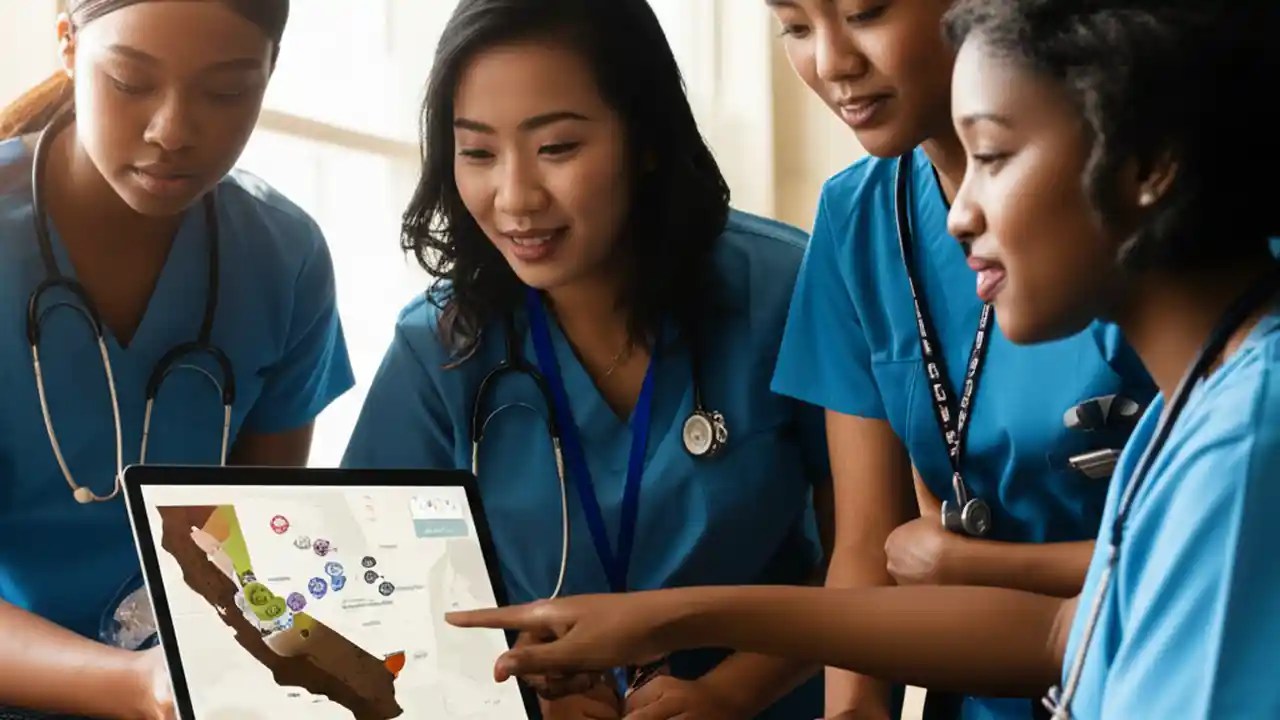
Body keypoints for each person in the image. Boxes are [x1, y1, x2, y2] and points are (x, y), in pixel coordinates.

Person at [446, 1, 1280, 719]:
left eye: (989, 155)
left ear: (1148, 166)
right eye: (794, 25)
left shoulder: (1243, 443)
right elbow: (1062, 633)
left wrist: (965, 563)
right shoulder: (1184, 427)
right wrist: (670, 620)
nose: (958, 215)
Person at [339, 0, 831, 718]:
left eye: (557, 148)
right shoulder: (440, 344)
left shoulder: (786, 292)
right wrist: (518, 691)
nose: (515, 198)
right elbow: (371, 594)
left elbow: (865, 550)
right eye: (477, 152)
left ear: (648, 138)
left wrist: (732, 691)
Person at [760, 1, 1157, 717]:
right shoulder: (857, 217)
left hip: (1152, 669)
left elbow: (1217, 527)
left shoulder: (1124, 199)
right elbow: (864, 544)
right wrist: (854, 710)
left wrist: (972, 564)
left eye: (865, 12)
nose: (831, 62)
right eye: (794, 26)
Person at [0, 1, 354, 717]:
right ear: (68, 46)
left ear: (269, 73)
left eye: (226, 91)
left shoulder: (285, 258)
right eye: (130, 82)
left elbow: (262, 539)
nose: (175, 132)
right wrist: (139, 686)